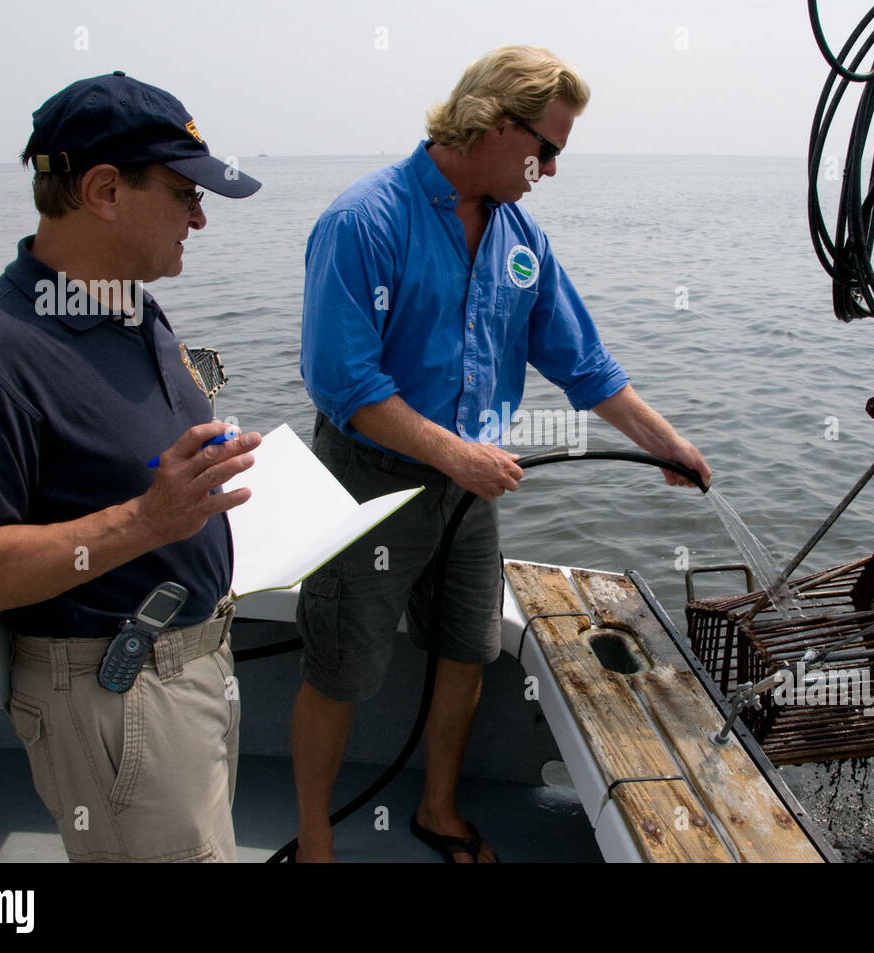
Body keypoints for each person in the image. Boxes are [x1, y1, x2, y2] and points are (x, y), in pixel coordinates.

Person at [294, 45, 712, 863]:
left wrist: (669, 445)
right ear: (490, 120)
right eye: (546, 148)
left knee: (468, 651)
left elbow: (584, 366)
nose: (551, 168)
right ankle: (314, 841)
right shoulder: (364, 219)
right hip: (369, 479)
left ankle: (439, 811)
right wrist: (454, 454)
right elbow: (344, 383)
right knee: (339, 667)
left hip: (470, 484)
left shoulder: (522, 239)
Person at [0, 72, 263, 862]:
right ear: (105, 189)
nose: (200, 217)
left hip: (195, 670)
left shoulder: (132, 307)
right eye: (183, 194)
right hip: (122, 697)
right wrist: (147, 520)